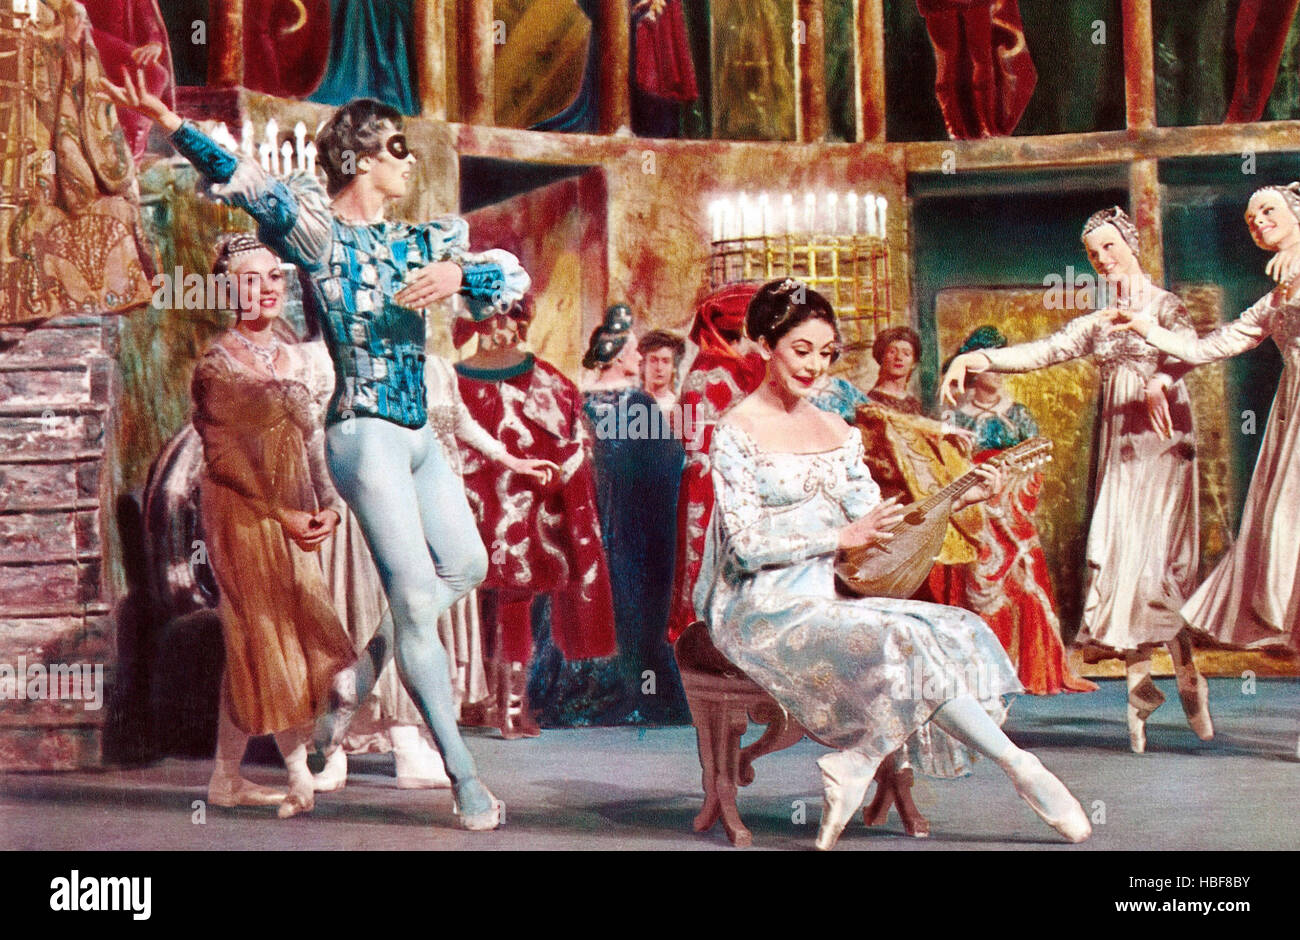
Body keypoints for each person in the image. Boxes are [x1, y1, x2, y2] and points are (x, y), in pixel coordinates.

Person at [103, 79, 530, 829]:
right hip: (362, 435)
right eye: (398, 147)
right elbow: (251, 188)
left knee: (465, 567)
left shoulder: (424, 240)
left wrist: (462, 275)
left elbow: (512, 275)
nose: (409, 161)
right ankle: (467, 781)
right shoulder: (321, 233)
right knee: (415, 605)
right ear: (364, 155)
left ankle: (358, 675)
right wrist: (173, 123)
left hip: (419, 435)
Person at [695, 278, 1090, 850]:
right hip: (758, 611)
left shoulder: (837, 430)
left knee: (958, 626)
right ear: (763, 344)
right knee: (906, 640)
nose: (813, 366)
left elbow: (880, 529)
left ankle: (861, 760)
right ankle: (1022, 769)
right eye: (800, 350)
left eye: (825, 353)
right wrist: (838, 535)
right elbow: (746, 547)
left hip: (824, 601)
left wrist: (961, 498)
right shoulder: (735, 431)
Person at [942, 206, 1213, 754]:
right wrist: (974, 359)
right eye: (1093, 254)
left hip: (1164, 443)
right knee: (1120, 560)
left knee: (1154, 566)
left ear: (1132, 245)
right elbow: (1044, 352)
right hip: (1119, 446)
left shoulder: (1166, 306)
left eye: (1111, 248)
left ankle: (1184, 673)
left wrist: (1160, 378)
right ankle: (1142, 687)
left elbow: (1193, 354)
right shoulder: (1097, 321)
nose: (1103, 259)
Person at [312, 349, 554, 789]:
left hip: (440, 503)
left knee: (436, 598)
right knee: (401, 606)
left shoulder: (439, 365)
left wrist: (511, 460)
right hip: (388, 505)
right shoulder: (358, 362)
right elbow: (331, 434)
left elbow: (459, 421)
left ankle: (400, 724)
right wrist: (332, 501)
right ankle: (371, 743)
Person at [190, 233, 354, 818]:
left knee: (258, 646)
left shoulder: (297, 357)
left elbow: (314, 444)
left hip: (290, 516)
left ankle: (224, 779)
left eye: (275, 278)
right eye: (251, 279)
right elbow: (224, 460)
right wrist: (281, 513)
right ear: (227, 288)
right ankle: (298, 774)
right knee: (268, 635)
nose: (266, 290)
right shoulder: (216, 365)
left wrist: (330, 504)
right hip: (242, 515)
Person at [1106, 184, 1300, 661]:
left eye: (1268, 211)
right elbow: (1205, 348)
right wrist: (1148, 328)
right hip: (1292, 413)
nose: (1257, 222)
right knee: (1284, 530)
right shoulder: (1273, 301)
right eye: (1251, 219)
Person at [454, 300, 618, 736]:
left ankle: (491, 703)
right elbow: (572, 451)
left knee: (488, 603)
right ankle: (503, 707)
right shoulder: (547, 380)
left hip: (487, 511)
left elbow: (570, 447)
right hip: (513, 514)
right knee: (508, 605)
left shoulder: (453, 378)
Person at [942, 327, 1098, 695]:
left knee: (1024, 578)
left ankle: (1033, 669)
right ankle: (980, 675)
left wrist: (1011, 494)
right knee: (976, 580)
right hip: (974, 508)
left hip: (1013, 508)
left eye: (999, 364)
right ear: (973, 371)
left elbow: (1037, 465)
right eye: (986, 365)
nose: (994, 373)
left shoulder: (1020, 415)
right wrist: (978, 495)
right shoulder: (955, 416)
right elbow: (948, 464)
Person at [554, 306, 690, 724]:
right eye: (634, 350)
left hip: (588, 510)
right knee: (633, 598)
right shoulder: (635, 401)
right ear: (616, 356)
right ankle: (636, 691)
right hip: (631, 516)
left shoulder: (579, 398)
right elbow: (666, 462)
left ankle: (585, 686)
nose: (640, 358)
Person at [639, 328, 686, 415]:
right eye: (653, 360)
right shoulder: (630, 401)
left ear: (674, 367)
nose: (659, 368)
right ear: (643, 364)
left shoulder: (678, 406)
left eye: (665, 361)